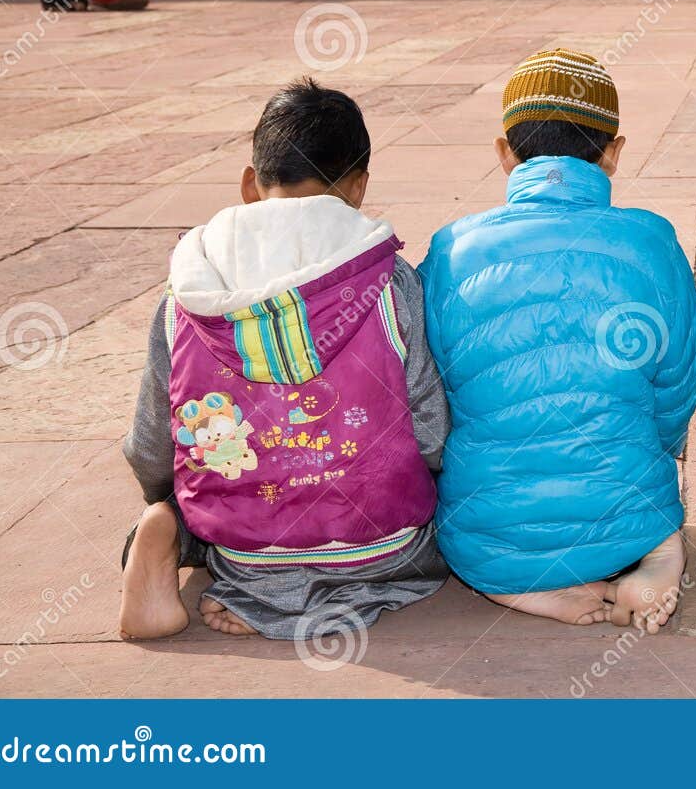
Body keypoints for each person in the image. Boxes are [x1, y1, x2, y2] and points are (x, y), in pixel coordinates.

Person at [118, 80, 448, 640]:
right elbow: (432, 432)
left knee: (191, 507)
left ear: (251, 183)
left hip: (242, 547)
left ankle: (174, 538)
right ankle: (314, 587)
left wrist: (164, 497)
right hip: (380, 545)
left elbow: (151, 442)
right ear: (358, 188)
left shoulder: (187, 294)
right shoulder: (390, 283)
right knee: (452, 531)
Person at [421, 49, 696, 632]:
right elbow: (679, 383)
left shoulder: (451, 251)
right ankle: (655, 551)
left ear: (504, 152)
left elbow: (432, 396)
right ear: (614, 153)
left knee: (479, 506)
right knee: (646, 497)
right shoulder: (652, 243)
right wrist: (658, 449)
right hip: (628, 512)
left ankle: (520, 585)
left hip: (486, 533)